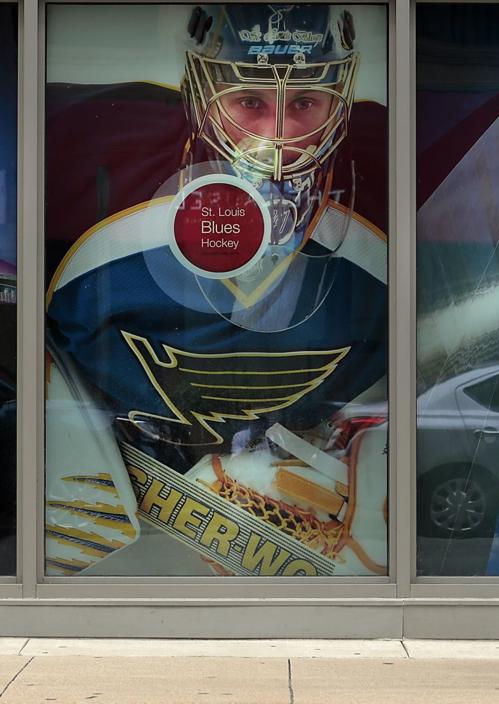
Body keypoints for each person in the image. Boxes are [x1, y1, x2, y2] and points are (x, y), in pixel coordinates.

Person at [43, 5, 390, 577]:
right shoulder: (99, 168)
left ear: (339, 101)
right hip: (126, 516)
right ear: (203, 98)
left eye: (304, 102)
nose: (278, 132)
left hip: (293, 523)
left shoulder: (379, 191)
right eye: (250, 102)